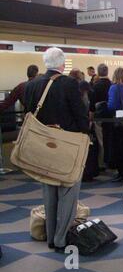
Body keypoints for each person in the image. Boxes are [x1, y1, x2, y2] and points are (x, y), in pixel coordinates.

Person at [24, 47, 88, 252]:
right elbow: (80, 114)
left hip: (42, 147)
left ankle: (50, 236)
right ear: (62, 63)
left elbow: (29, 115)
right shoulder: (69, 83)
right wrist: (85, 134)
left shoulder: (32, 85)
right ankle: (61, 238)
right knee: (68, 191)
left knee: (48, 192)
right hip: (66, 145)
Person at [108, 67, 123, 182]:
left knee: (119, 147)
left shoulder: (114, 88)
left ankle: (122, 172)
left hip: (118, 122)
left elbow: (112, 105)